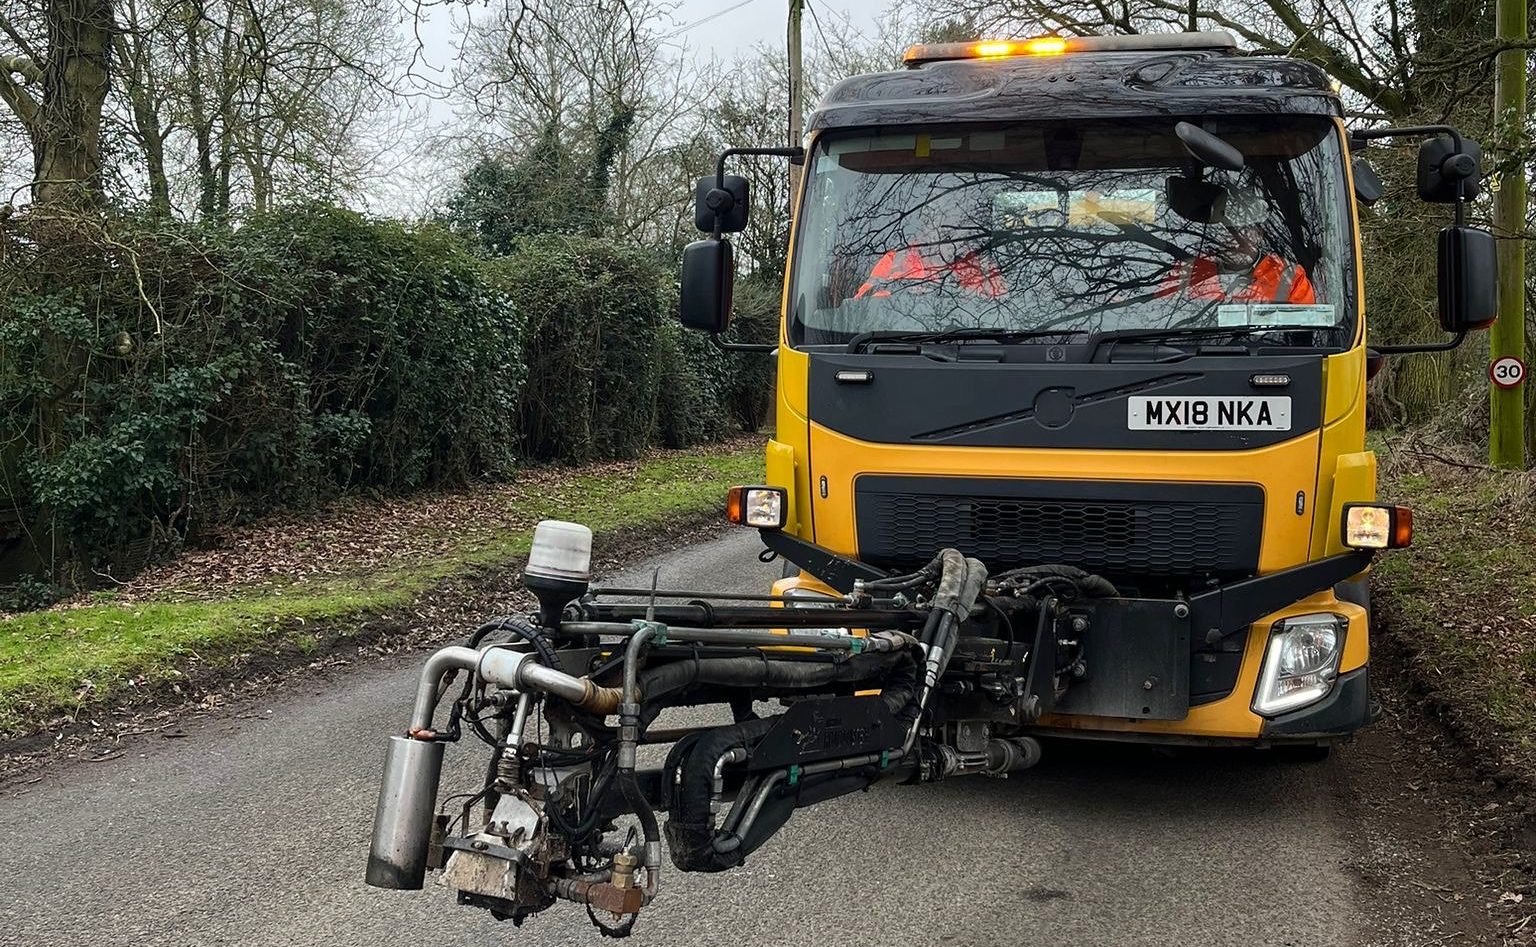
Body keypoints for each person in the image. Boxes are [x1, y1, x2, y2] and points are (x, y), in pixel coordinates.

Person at [853, 206, 1007, 300]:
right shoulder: (894, 261)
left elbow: (1001, 305)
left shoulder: (982, 267)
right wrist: (896, 292)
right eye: (935, 224)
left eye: (951, 228)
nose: (942, 234)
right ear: (924, 227)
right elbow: (863, 304)